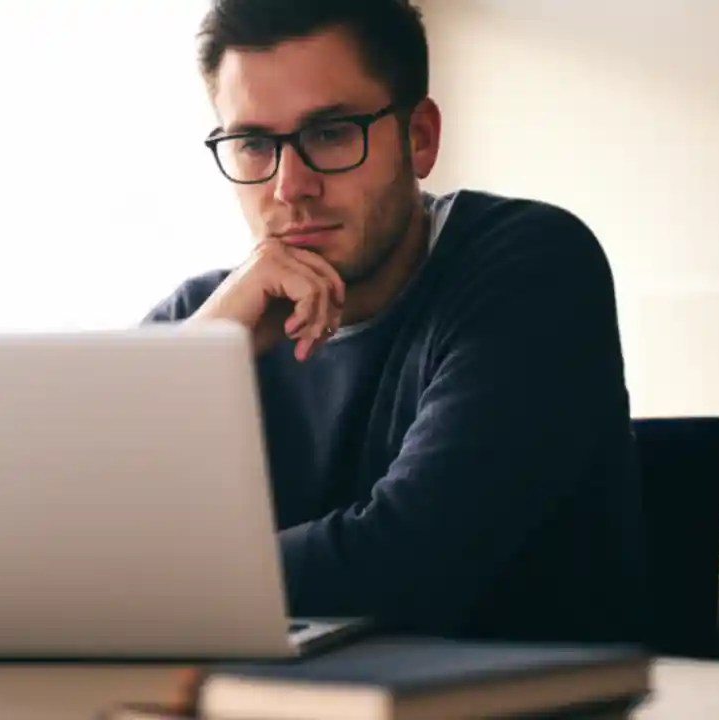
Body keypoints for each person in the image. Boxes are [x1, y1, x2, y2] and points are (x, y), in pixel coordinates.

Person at [143, 0, 645, 643]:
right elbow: (52, 543)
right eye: (253, 144)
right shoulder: (209, 319)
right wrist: (204, 357)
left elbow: (407, 563)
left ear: (420, 137)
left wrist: (151, 580)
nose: (290, 185)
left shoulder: (531, 265)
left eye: (332, 133)